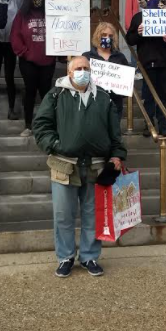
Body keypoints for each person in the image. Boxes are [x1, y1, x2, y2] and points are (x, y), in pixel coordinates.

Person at [33, 56, 127, 278]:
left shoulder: (103, 98)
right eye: (78, 68)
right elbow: (41, 126)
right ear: (69, 71)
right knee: (63, 215)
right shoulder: (56, 95)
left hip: (95, 167)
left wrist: (117, 155)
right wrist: (56, 145)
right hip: (64, 166)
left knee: (92, 215)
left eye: (86, 68)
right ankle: (65, 257)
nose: (82, 71)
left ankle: (89, 256)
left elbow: (115, 133)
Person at [126, 0, 166, 137]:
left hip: (163, 63)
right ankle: (149, 125)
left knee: (162, 96)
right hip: (147, 63)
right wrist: (139, 33)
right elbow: (130, 39)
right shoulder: (138, 18)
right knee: (148, 97)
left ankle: (163, 125)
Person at [11, 0, 55, 138]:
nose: (38, 0)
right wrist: (24, 52)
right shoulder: (22, 16)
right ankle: (28, 125)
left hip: (48, 61)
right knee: (29, 91)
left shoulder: (51, 15)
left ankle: (47, 125)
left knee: (46, 93)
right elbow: (15, 36)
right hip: (28, 61)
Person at [83, 22, 130, 117]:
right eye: (104, 35)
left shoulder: (120, 57)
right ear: (97, 36)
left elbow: (127, 82)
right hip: (93, 103)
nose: (107, 38)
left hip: (115, 104)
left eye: (110, 35)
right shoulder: (87, 56)